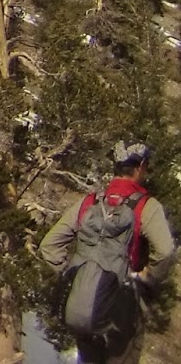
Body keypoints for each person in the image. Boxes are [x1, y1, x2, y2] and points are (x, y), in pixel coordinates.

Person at [40, 142, 176, 364]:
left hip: (83, 301)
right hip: (123, 306)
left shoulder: (90, 202)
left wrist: (72, 273)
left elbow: (49, 245)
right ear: (141, 166)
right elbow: (166, 251)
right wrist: (147, 278)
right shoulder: (147, 206)